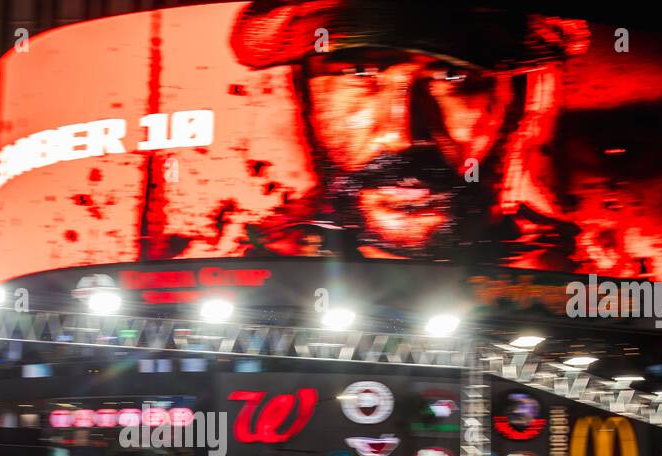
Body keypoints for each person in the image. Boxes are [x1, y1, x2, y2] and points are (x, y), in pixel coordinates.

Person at [230, 0, 590, 267]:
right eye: (359, 72)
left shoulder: (580, 273)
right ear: (305, 96)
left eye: (451, 77)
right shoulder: (255, 265)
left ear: (513, 104)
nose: (401, 134)